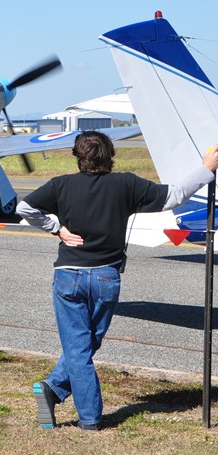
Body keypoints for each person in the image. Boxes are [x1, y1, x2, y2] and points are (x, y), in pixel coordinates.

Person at [17, 131, 218, 430]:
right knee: (85, 347)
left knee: (80, 348)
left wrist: (57, 228)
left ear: (77, 157)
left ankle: (54, 389)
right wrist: (206, 168)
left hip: (68, 275)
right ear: (111, 156)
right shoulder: (126, 183)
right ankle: (88, 418)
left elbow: (24, 208)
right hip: (105, 277)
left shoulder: (61, 184)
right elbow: (174, 196)